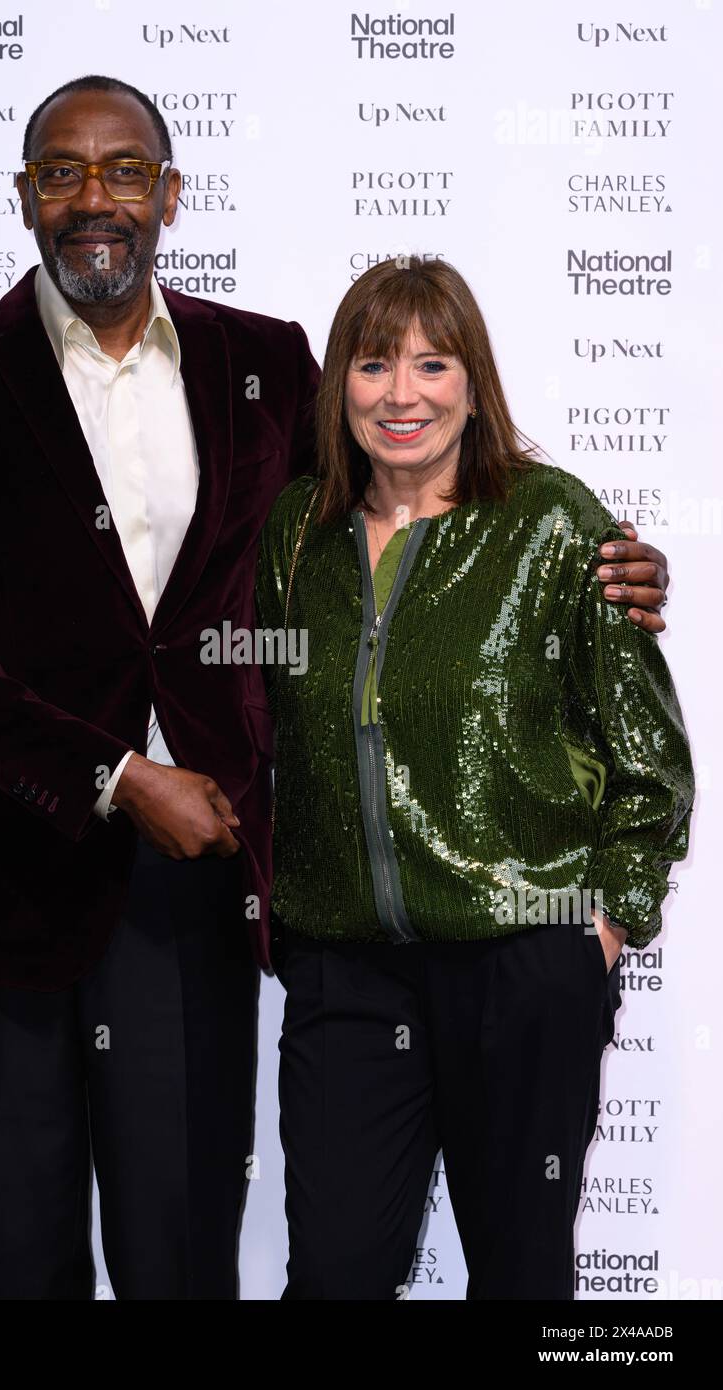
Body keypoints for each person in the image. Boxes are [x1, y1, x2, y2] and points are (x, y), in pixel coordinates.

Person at [0, 74, 320, 1300]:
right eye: (60, 172)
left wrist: (568, 556)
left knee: (180, 1259)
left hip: (191, 888)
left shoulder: (264, 363)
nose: (92, 198)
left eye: (123, 170)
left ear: (169, 194)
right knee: (18, 1261)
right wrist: (113, 775)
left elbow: (372, 537)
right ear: (22, 200)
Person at [256, 256, 694, 1300]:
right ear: (338, 386)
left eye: (430, 363)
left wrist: (601, 929)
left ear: (471, 380)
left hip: (521, 961)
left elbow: (649, 757)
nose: (400, 394)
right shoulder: (296, 534)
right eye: (372, 365)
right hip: (346, 972)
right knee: (332, 1274)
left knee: (519, 1276)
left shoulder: (550, 522)